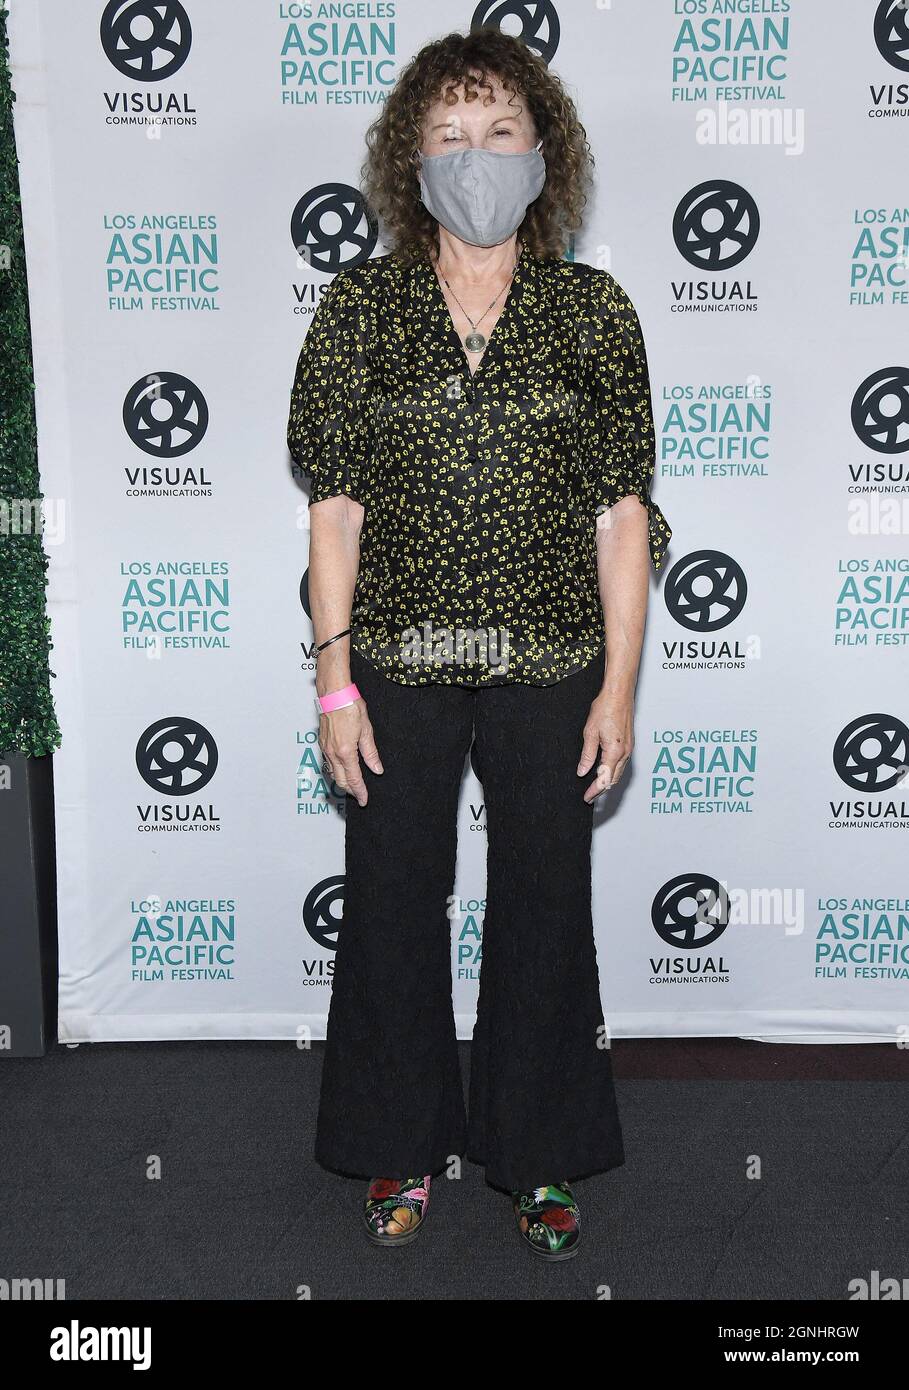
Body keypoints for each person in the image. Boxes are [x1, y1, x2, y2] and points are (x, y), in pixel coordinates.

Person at [286, 27, 671, 1261]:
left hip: (552, 657)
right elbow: (334, 505)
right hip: (393, 657)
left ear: (542, 149)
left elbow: (623, 515)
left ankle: (539, 1153)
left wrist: (619, 686)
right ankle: (397, 1142)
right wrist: (334, 682)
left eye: (499, 129)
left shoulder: (592, 312)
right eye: (450, 133)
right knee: (396, 900)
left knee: (547, 905)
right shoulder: (361, 307)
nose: (476, 154)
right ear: (413, 156)